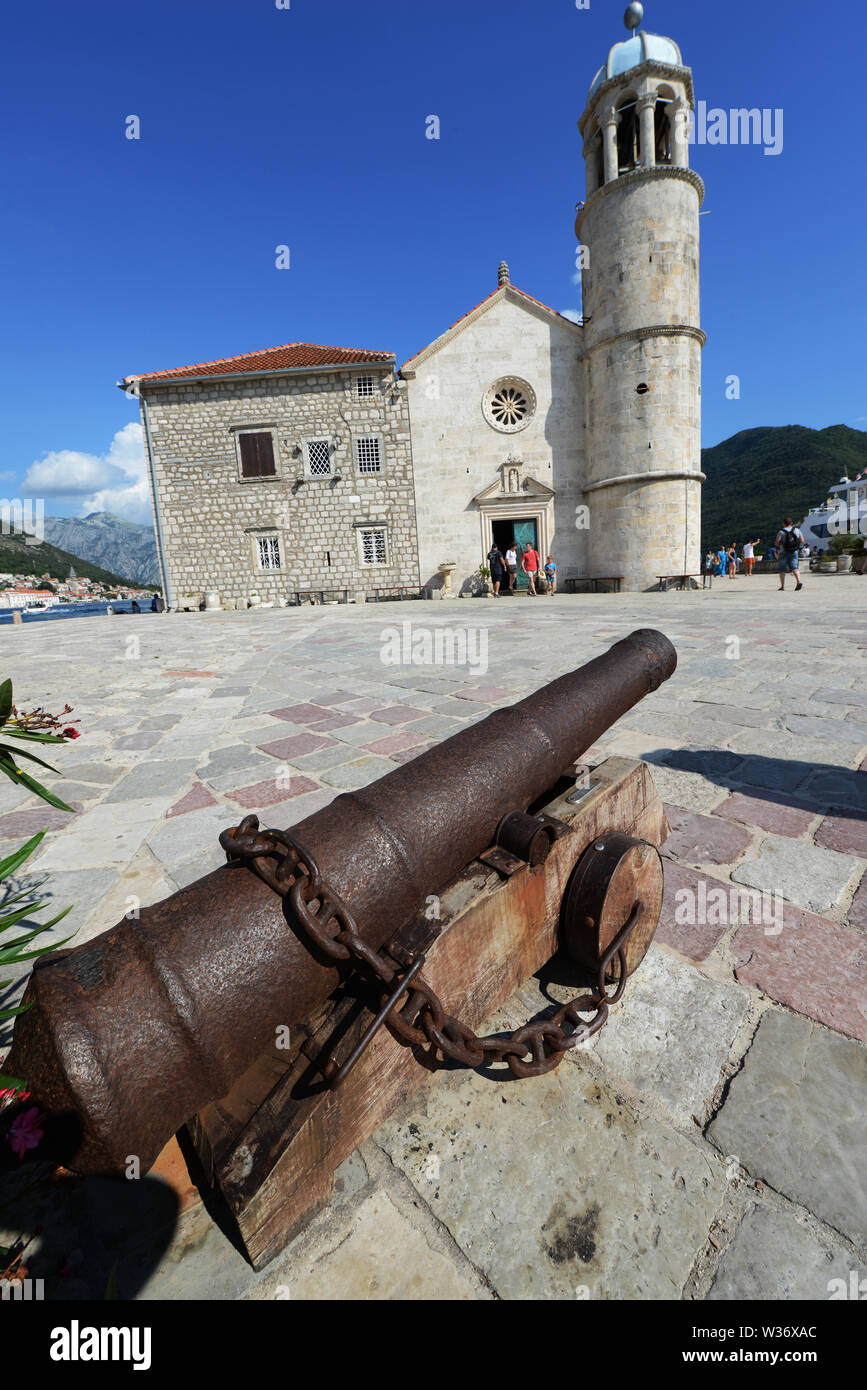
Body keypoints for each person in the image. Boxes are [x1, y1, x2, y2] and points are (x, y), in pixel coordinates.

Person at [776, 517, 804, 592]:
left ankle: (782, 586)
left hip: (783, 552)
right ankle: (799, 581)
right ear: (791, 523)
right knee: (794, 567)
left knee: (782, 569)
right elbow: (802, 540)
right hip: (794, 551)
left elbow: (777, 542)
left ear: (784, 523)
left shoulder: (781, 532)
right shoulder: (797, 530)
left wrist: (778, 548)